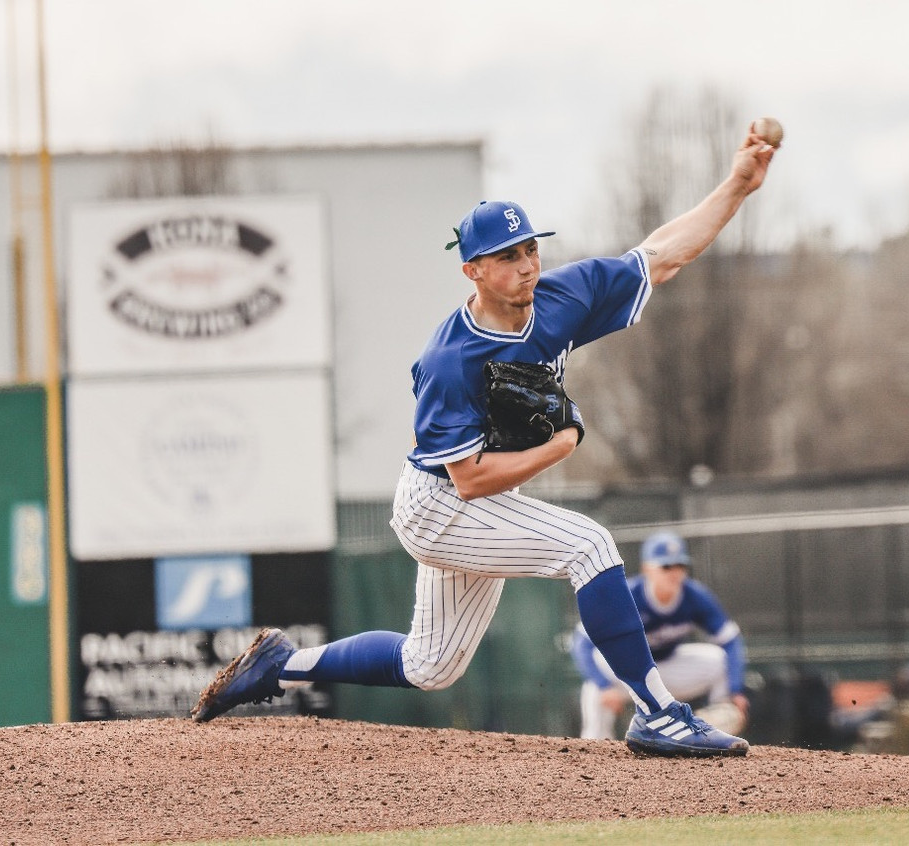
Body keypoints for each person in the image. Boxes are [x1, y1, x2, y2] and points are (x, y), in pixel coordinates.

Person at [190, 122, 778, 758]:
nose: (526, 266)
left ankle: (281, 664)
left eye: (529, 250)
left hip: (482, 502)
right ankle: (659, 713)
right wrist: (556, 450)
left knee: (431, 665)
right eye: (507, 257)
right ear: (472, 270)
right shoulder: (451, 361)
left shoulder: (558, 298)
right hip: (441, 505)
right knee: (589, 545)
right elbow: (468, 479)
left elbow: (662, 255)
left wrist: (737, 187)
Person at [572, 531, 749, 740]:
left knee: (719, 661)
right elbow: (581, 642)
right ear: (648, 568)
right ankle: (595, 742)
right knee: (598, 669)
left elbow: (730, 641)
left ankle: (714, 735)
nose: (674, 572)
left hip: (669, 668)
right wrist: (603, 686)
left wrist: (736, 689)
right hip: (630, 672)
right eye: (666, 566)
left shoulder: (695, 596)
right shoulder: (628, 596)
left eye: (680, 566)